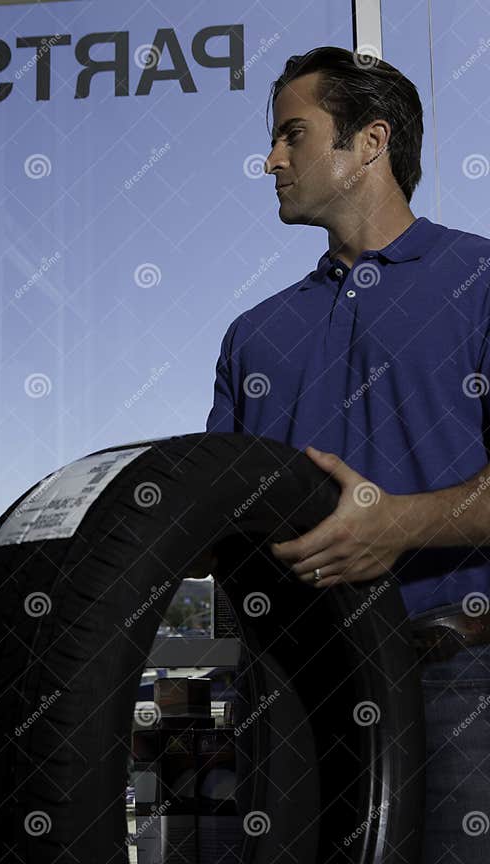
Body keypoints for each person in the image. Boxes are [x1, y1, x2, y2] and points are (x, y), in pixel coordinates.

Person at [206, 46, 490, 863]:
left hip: (460, 690)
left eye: (294, 134)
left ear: (370, 143)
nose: (270, 159)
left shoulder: (479, 280)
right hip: (292, 695)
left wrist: (400, 525)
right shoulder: (253, 334)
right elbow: (223, 513)